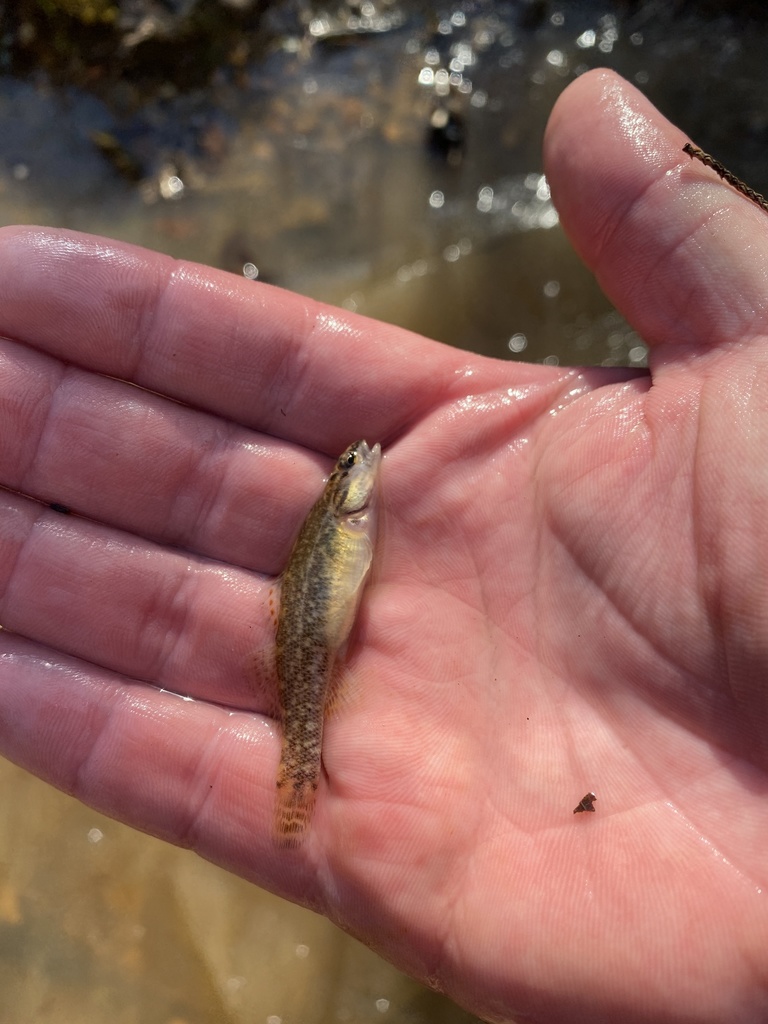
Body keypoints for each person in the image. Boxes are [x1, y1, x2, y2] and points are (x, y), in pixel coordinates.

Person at [0, 69, 766, 1024]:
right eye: (357, 464)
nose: (366, 466)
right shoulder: (348, 514)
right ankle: (299, 770)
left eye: (362, 462)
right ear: (347, 495)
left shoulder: (350, 514)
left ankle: (300, 767)